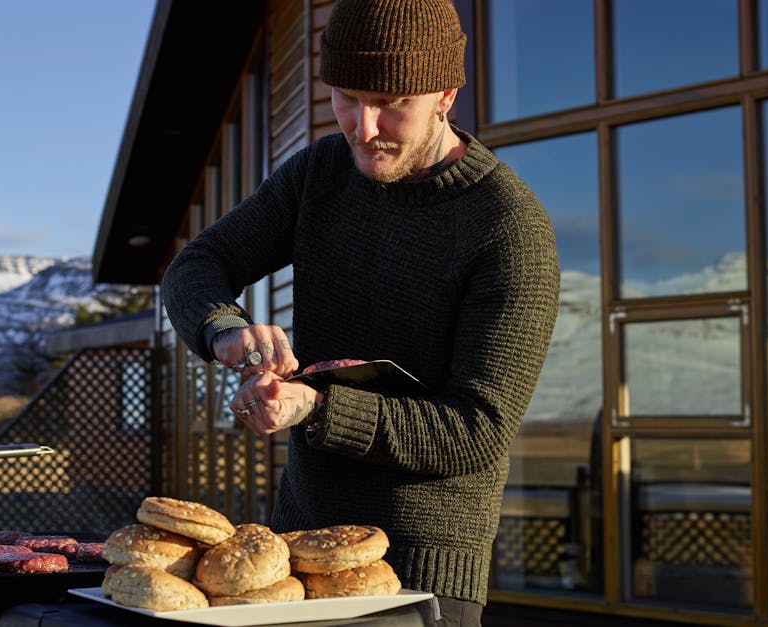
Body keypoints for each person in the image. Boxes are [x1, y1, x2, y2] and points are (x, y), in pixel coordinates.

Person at [160, 0, 559, 624]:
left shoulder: (508, 228)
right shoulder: (319, 174)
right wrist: (227, 334)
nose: (363, 126)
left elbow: (477, 430)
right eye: (346, 96)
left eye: (391, 102)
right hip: (294, 547)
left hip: (421, 572)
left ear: (446, 94)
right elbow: (196, 265)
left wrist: (316, 406)